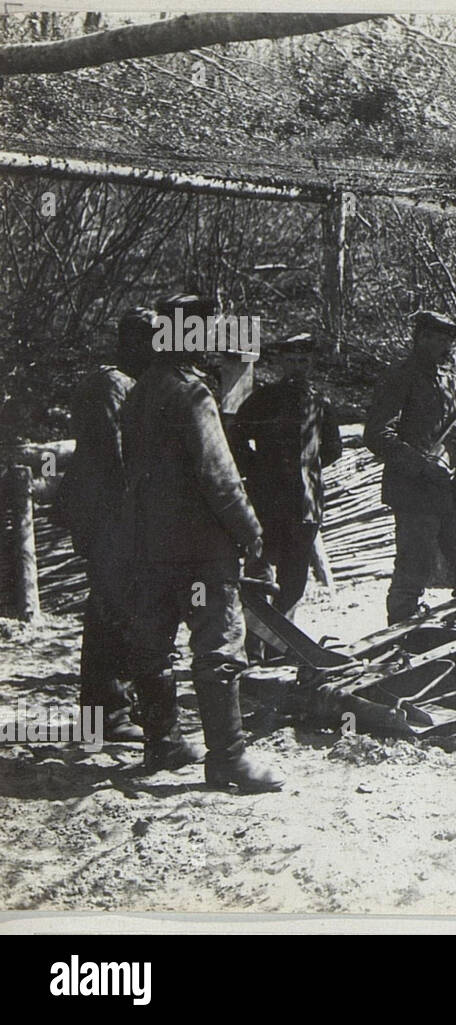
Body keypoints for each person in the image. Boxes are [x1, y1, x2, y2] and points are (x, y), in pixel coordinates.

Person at [118, 294, 283, 792]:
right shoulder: (192, 393)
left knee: (153, 644)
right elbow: (219, 476)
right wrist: (251, 532)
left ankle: (163, 741)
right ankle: (228, 759)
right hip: (199, 548)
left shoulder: (139, 391)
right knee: (217, 645)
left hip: (152, 544)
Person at [52, 309, 156, 742]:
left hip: (113, 515)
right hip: (110, 517)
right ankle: (108, 713)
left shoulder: (123, 384)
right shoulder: (113, 386)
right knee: (113, 611)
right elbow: (119, 460)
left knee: (114, 610)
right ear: (133, 343)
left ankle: (111, 709)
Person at [364, 311, 456, 624]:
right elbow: (378, 434)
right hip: (415, 492)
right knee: (414, 569)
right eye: (438, 337)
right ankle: (400, 634)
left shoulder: (448, 380)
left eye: (449, 339)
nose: (446, 345)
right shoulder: (400, 377)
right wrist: (422, 466)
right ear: (421, 338)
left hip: (453, 490)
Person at [229, 334, 342, 646]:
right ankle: (254, 644)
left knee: (294, 581)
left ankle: (280, 645)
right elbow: (235, 437)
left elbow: (334, 449)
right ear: (280, 363)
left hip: (305, 505)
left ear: (311, 363)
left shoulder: (321, 403)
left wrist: (309, 470)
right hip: (268, 503)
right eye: (290, 360)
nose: (297, 367)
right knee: (259, 573)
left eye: (303, 360)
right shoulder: (263, 400)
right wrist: (257, 469)